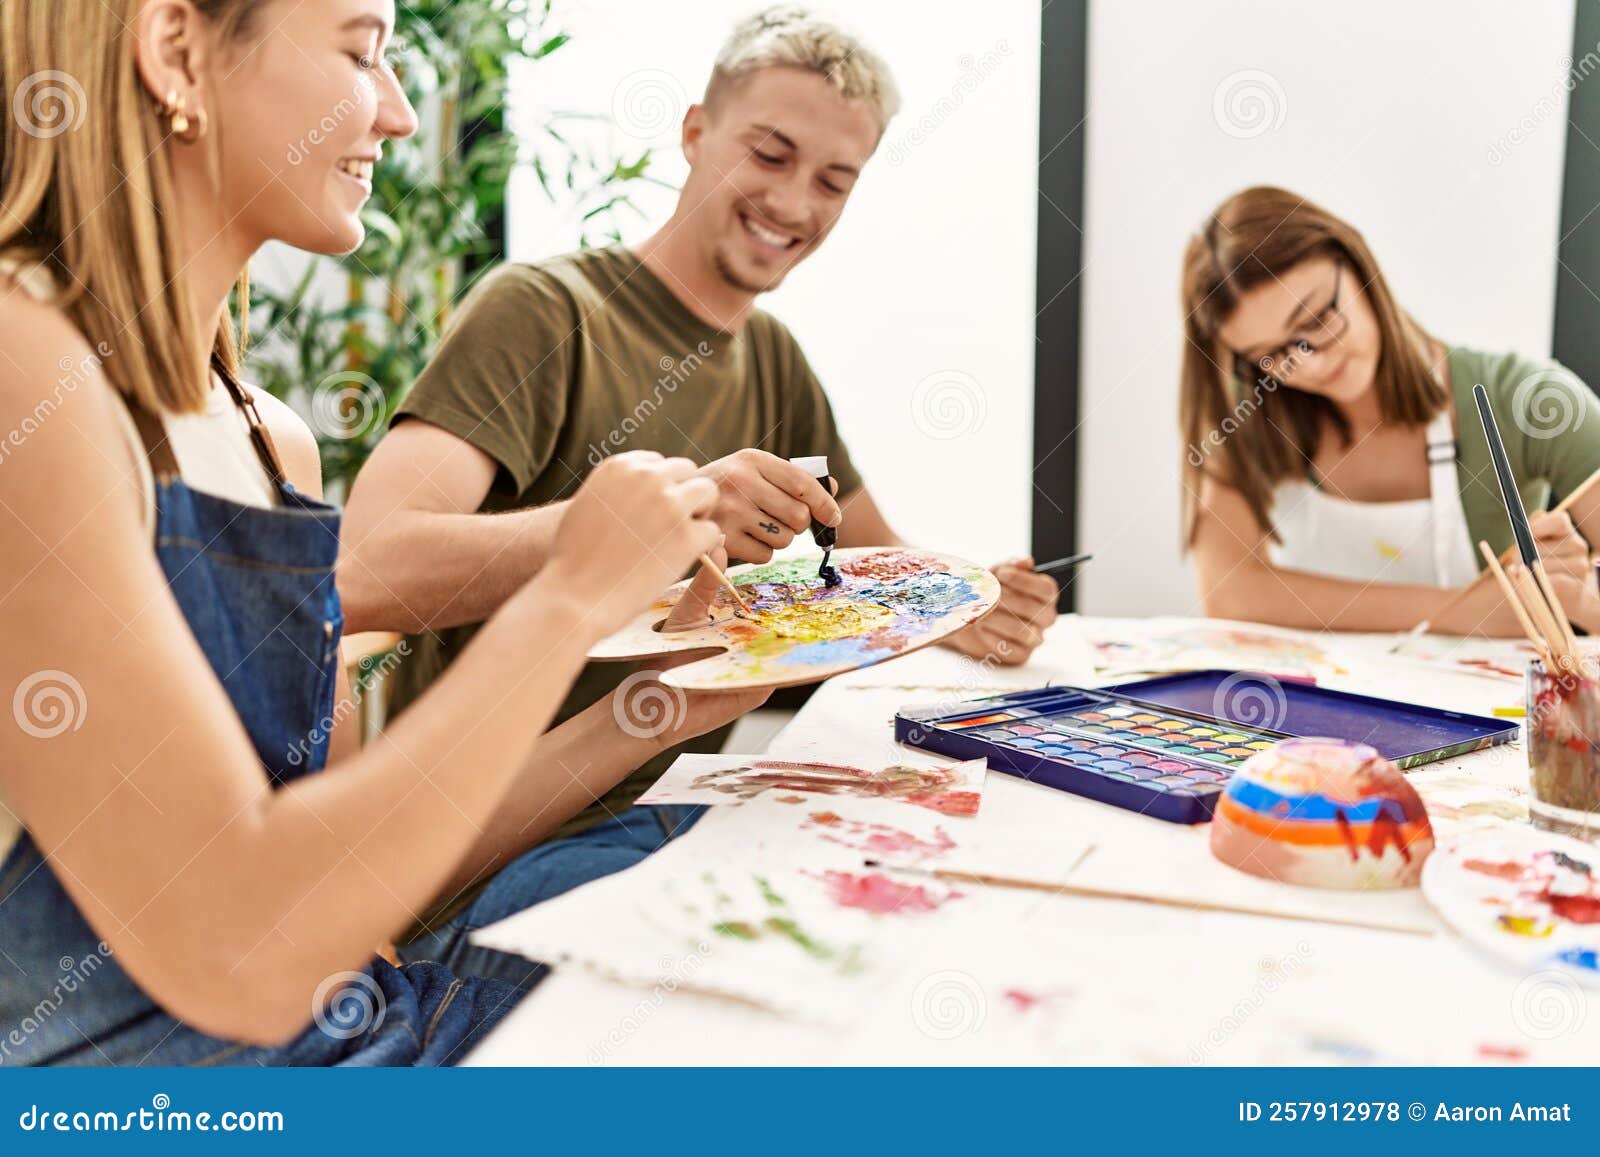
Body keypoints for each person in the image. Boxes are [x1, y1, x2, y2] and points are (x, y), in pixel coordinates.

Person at [0, 0, 765, 1067]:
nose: (400, 114)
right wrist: (566, 596)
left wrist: (662, 702)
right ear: (177, 50)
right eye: (363, 52)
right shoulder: (26, 368)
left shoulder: (273, 443)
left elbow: (356, 888)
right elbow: (244, 949)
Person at [341, 6, 1059, 847]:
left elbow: (868, 574)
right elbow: (360, 567)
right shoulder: (543, 312)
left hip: (683, 808)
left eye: (834, 180)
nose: (794, 202)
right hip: (494, 850)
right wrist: (647, 527)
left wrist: (970, 607)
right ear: (693, 132)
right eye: (769, 154)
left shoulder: (773, 359)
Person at [1180, 185, 1600, 634]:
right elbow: (1231, 593)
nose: (1310, 363)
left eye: (1317, 320)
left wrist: (1583, 603)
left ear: (1358, 264)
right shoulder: (1247, 407)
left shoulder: (1527, 399)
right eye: (1269, 354)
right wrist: (1462, 613)